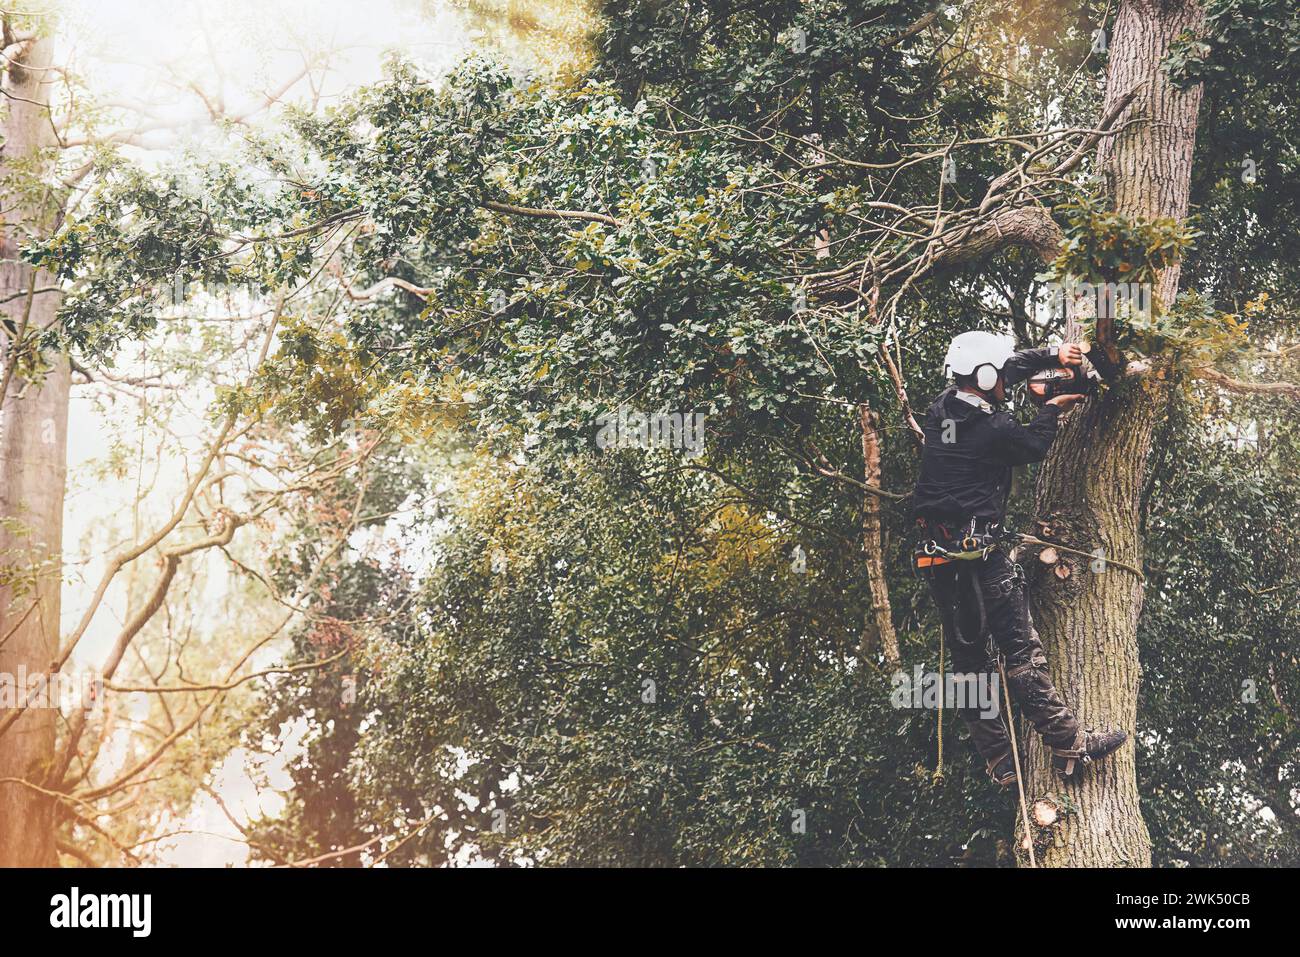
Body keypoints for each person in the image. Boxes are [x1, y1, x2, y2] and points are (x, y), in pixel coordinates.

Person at [910, 331, 1128, 787]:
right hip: (979, 559)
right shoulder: (993, 428)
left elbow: (1003, 369)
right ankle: (1068, 744)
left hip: (936, 560)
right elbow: (1033, 446)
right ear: (985, 376)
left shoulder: (942, 408)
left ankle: (1002, 763)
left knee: (970, 666)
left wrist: (1053, 355)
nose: (1007, 382)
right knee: (1020, 654)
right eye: (1000, 376)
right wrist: (1050, 409)